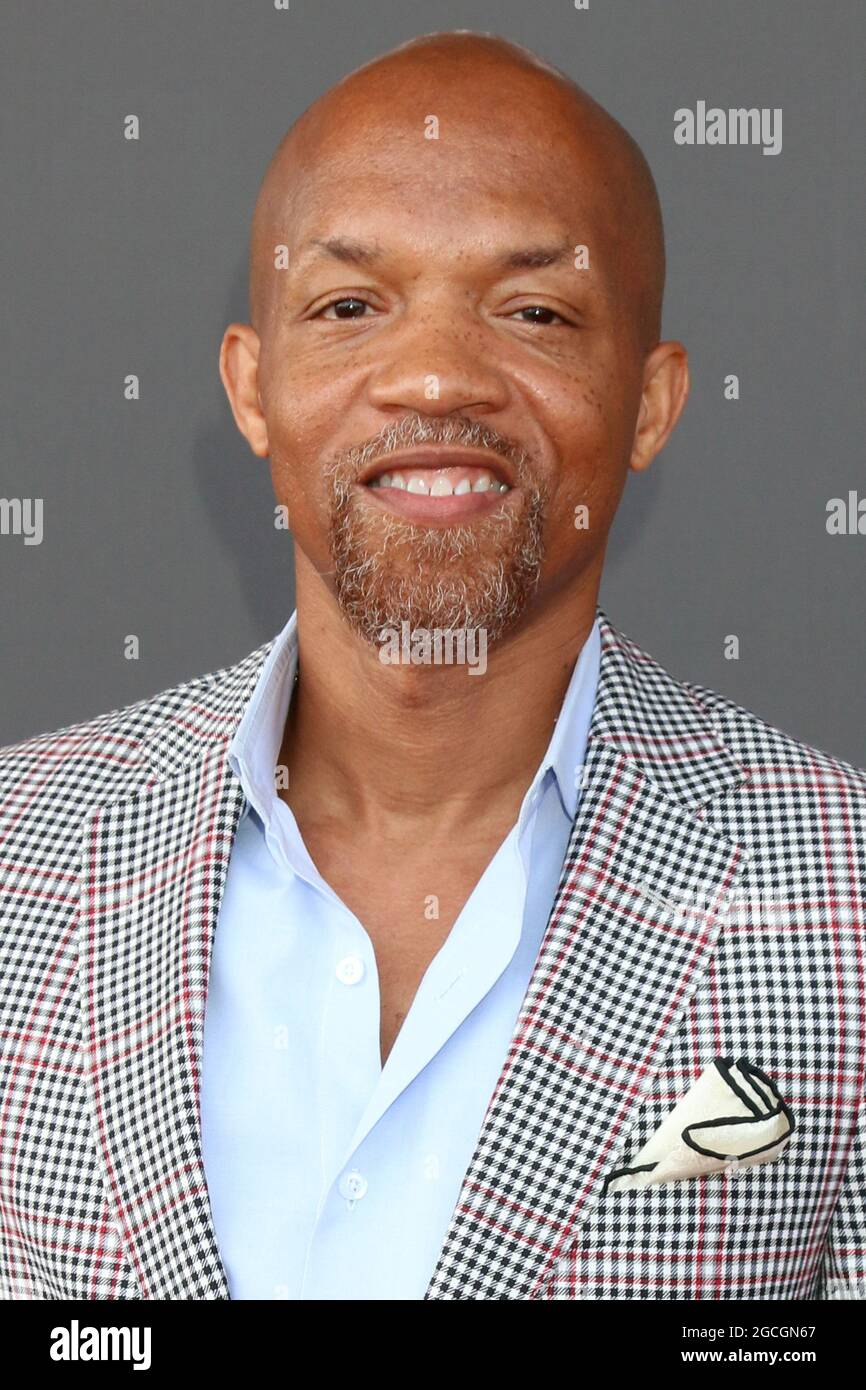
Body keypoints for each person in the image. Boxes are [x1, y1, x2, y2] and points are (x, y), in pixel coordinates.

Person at [0, 30, 863, 1302]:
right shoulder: (21, 854)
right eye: (350, 306)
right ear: (253, 387)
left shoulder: (839, 893)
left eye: (533, 312)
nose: (435, 377)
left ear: (649, 402)